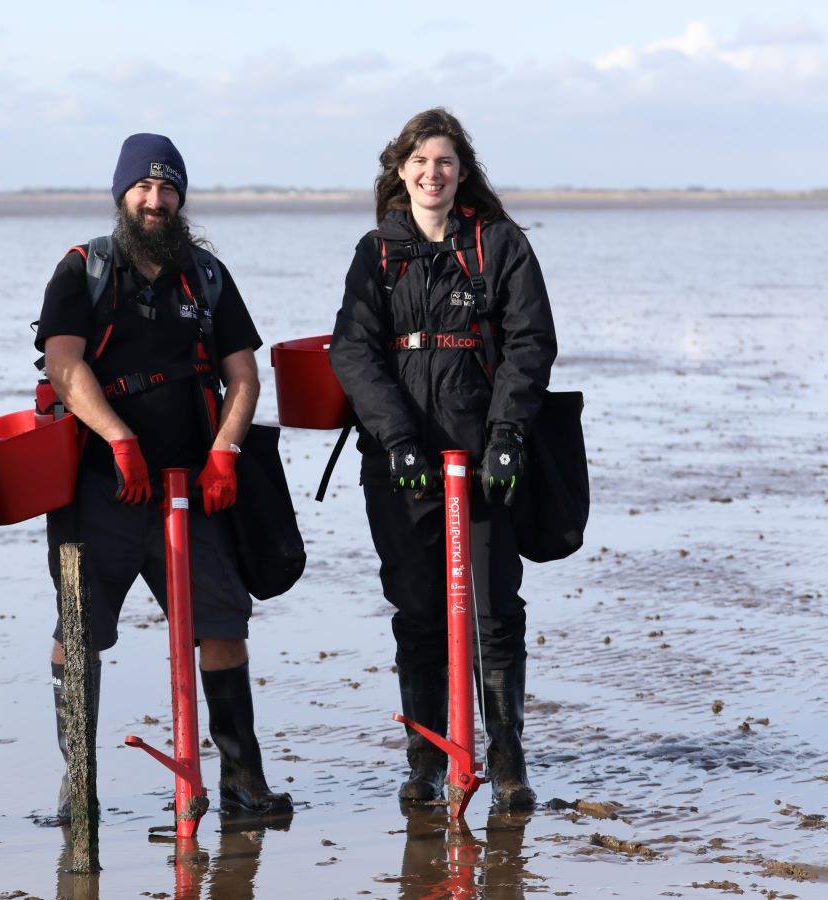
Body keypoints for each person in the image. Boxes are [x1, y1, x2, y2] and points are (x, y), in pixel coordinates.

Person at [36, 133, 292, 821]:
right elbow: (64, 363)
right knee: (78, 630)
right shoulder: (83, 269)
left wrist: (225, 452)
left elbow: (244, 375)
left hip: (194, 493)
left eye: (167, 187)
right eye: (143, 188)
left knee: (223, 623)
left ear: (180, 197)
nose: (155, 200)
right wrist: (118, 438)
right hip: (103, 489)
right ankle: (78, 785)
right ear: (122, 195)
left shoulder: (205, 275)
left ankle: (243, 781)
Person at [329, 108, 557, 811]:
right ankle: (426, 757)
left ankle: (508, 758)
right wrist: (396, 440)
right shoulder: (376, 253)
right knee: (419, 610)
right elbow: (353, 352)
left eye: (445, 162)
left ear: (462, 172)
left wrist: (508, 435)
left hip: (486, 461)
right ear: (401, 170)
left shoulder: (499, 244)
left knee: (496, 612)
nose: (433, 173)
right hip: (400, 466)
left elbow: (530, 343)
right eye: (421, 161)